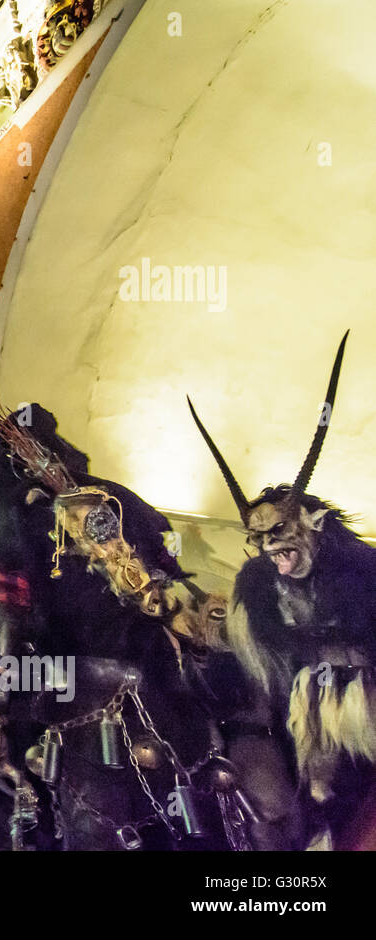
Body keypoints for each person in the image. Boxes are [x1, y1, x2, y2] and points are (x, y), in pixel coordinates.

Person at [0, 402, 253, 850]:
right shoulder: (113, 499)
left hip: (74, 692)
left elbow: (1, 627)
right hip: (144, 681)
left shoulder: (15, 521)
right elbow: (168, 582)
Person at [189, 333, 376, 849]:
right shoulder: (256, 586)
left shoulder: (361, 571)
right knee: (311, 799)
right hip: (302, 716)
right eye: (260, 540)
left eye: (279, 534)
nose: (271, 547)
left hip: (366, 702)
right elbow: (252, 655)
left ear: (312, 525)